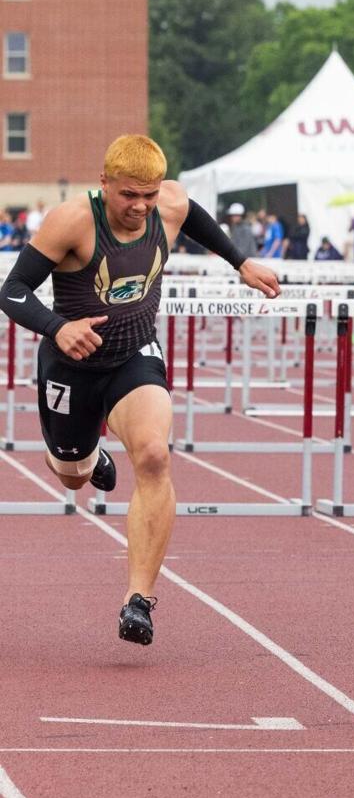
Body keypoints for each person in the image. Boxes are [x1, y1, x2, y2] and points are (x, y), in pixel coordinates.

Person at [0, 135, 279, 644]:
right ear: (104, 184)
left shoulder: (167, 203)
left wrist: (241, 263)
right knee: (71, 475)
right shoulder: (72, 221)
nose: (140, 207)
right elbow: (12, 290)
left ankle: (138, 600)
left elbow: (193, 214)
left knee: (153, 455)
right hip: (72, 365)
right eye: (129, 195)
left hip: (133, 356)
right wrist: (57, 327)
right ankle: (89, 456)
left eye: (149, 196)